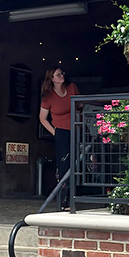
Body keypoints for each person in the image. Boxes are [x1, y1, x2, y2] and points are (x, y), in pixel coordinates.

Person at [39, 67, 80, 210]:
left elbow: (79, 105)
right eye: (58, 74)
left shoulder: (72, 87)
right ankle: (64, 201)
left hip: (76, 129)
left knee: (77, 162)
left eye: (62, 73)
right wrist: (55, 133)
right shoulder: (48, 96)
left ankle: (75, 196)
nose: (61, 76)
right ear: (52, 78)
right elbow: (43, 119)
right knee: (64, 166)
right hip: (61, 132)